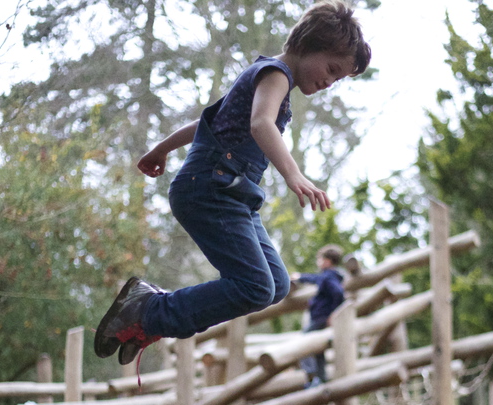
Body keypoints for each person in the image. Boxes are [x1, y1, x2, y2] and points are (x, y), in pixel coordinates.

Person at [94, 1, 371, 368]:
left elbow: (207, 122)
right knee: (255, 286)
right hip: (210, 189)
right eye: (331, 69)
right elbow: (260, 125)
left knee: (276, 285)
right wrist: (293, 173)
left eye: (338, 80)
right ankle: (148, 311)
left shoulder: (264, 77)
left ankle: (148, 316)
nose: (328, 82)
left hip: (231, 195)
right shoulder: (276, 74)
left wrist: (161, 149)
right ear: (307, 44)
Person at [295, 244, 346, 387]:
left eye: (320, 259)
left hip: (321, 317)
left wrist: (333, 314)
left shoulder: (329, 277)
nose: (318, 262)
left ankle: (312, 376)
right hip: (321, 316)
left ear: (327, 261)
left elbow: (338, 293)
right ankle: (322, 378)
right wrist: (301, 277)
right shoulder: (329, 276)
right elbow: (315, 279)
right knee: (318, 348)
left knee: (302, 343)